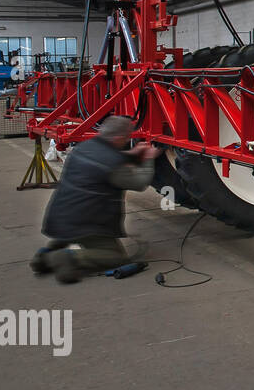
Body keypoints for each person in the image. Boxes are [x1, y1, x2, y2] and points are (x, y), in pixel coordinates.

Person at [31, 116, 160, 284]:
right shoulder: (113, 164)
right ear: (118, 138)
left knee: (70, 231)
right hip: (89, 222)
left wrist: (131, 154)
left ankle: (45, 253)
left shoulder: (85, 148)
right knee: (114, 256)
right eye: (127, 138)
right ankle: (68, 257)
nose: (128, 141)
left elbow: (107, 159)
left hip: (59, 216)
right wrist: (149, 159)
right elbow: (139, 183)